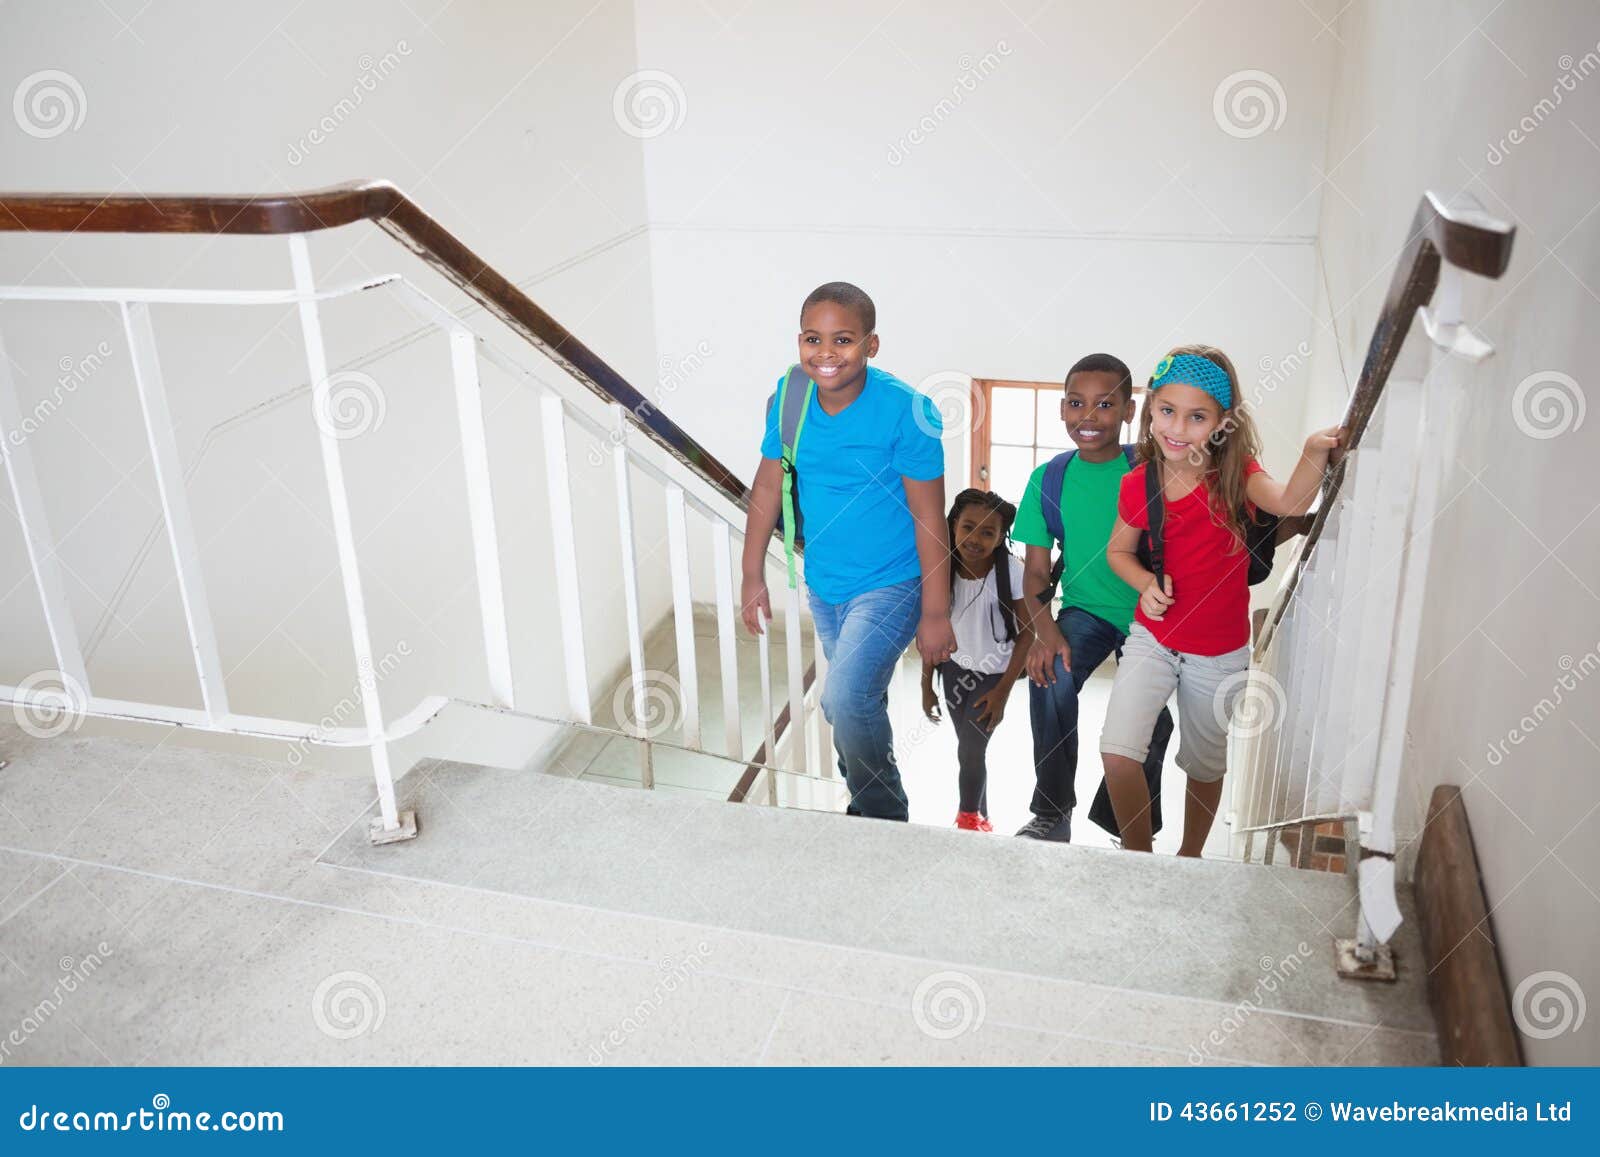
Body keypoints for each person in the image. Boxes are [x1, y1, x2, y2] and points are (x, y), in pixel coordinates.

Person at [1099, 345, 1341, 855]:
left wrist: (1313, 450)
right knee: (1118, 753)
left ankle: (1190, 856)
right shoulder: (1138, 482)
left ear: (1222, 422)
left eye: (1197, 417)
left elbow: (1291, 503)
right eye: (1167, 411)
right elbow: (1118, 553)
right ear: (1150, 410)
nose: (1178, 428)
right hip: (1154, 636)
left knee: (1204, 763)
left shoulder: (1236, 476)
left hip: (1219, 650)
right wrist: (1145, 583)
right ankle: (1139, 858)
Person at [740, 282, 955, 821]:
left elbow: (931, 517)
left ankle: (880, 814)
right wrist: (750, 574)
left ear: (871, 345)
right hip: (827, 584)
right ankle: (865, 796)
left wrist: (935, 611)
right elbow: (767, 488)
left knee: (843, 700)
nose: (827, 353)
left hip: (893, 582)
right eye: (814, 339)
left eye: (844, 339)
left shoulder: (909, 411)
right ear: (799, 341)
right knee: (857, 702)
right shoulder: (790, 397)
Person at [1013, 354, 1175, 843]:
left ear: (1130, 411)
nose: (1089, 417)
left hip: (1153, 614)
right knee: (1050, 678)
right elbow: (1036, 573)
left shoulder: (1153, 469)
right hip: (1086, 612)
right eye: (1077, 404)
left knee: (1152, 724)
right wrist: (1045, 632)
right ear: (1062, 409)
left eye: (1105, 405)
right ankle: (1051, 810)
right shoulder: (1049, 480)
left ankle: (1125, 823)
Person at [920, 490, 1030, 832]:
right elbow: (930, 627)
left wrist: (1002, 693)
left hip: (993, 677)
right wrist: (927, 684)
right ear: (954, 526)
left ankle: (967, 819)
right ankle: (982, 817)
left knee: (970, 748)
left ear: (1001, 538)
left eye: (988, 532)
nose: (975, 539)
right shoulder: (941, 568)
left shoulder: (1011, 571)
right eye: (968, 527)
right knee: (970, 751)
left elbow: (1029, 633)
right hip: (953, 672)